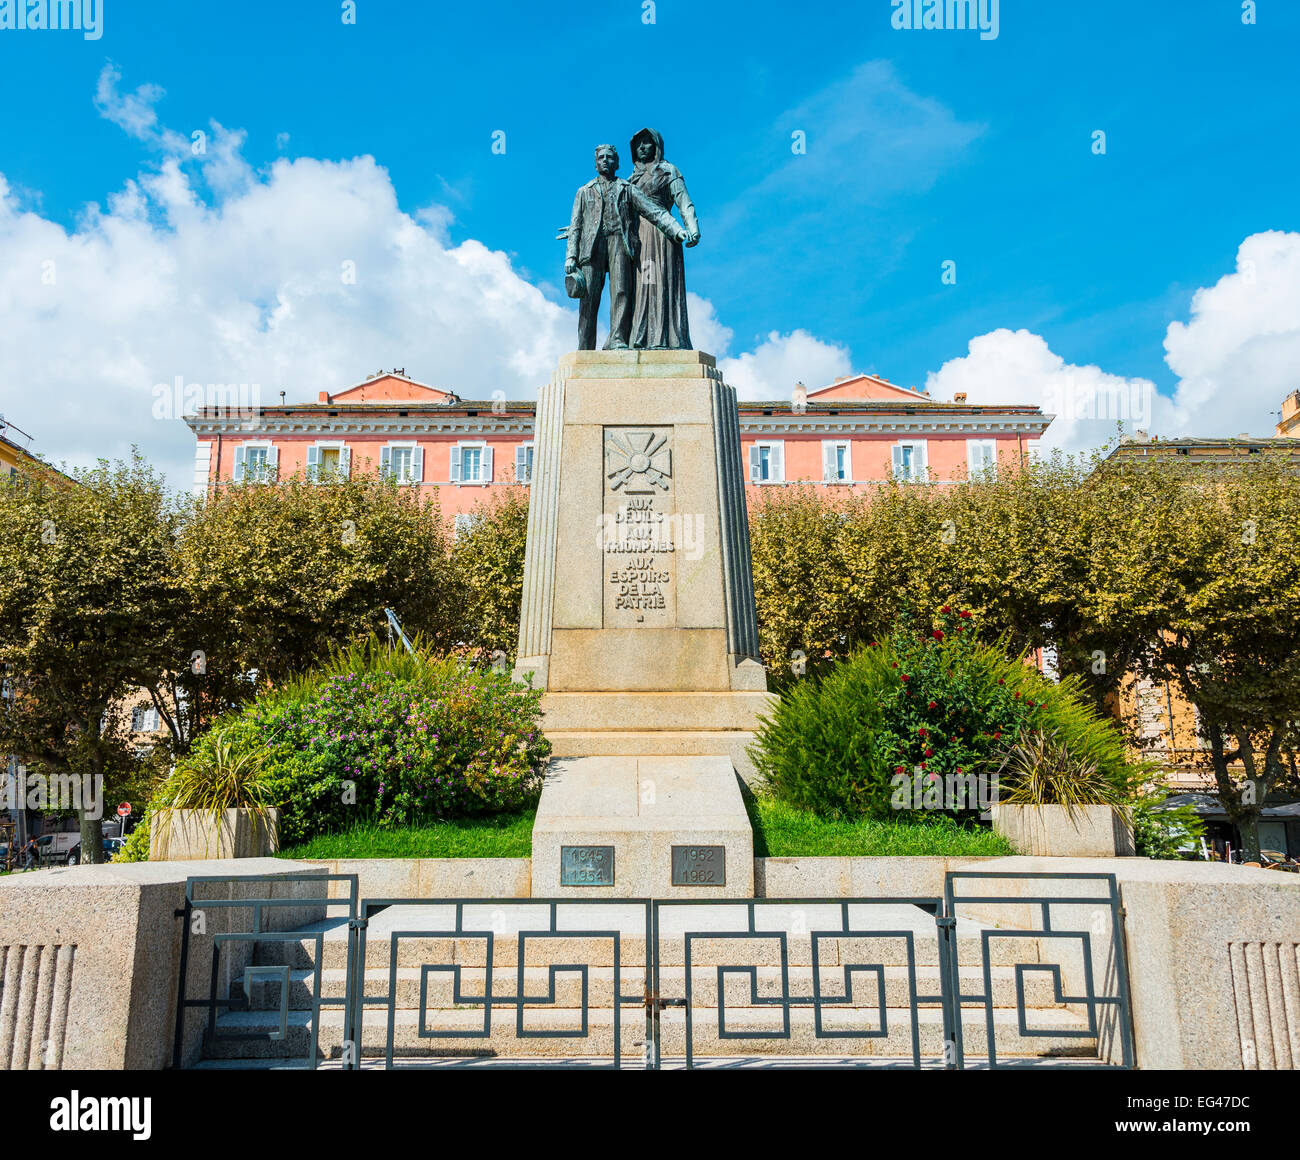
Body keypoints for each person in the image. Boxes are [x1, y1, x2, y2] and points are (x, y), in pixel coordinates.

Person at [565, 143, 687, 351]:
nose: (605, 160)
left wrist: (676, 229)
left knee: (621, 291)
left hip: (619, 244)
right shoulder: (584, 191)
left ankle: (617, 339)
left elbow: (653, 211)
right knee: (588, 301)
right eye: (601, 157)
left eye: (610, 157)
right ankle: (585, 348)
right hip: (591, 249)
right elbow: (576, 226)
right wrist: (571, 257)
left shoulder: (627, 188)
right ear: (596, 165)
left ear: (617, 163)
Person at [628, 127, 699, 350]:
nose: (642, 147)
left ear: (656, 146)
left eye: (647, 142)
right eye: (638, 143)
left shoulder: (668, 171)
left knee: (661, 283)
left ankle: (666, 337)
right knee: (643, 286)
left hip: (663, 235)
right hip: (638, 237)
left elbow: (684, 201)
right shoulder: (630, 180)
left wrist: (692, 228)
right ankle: (641, 336)